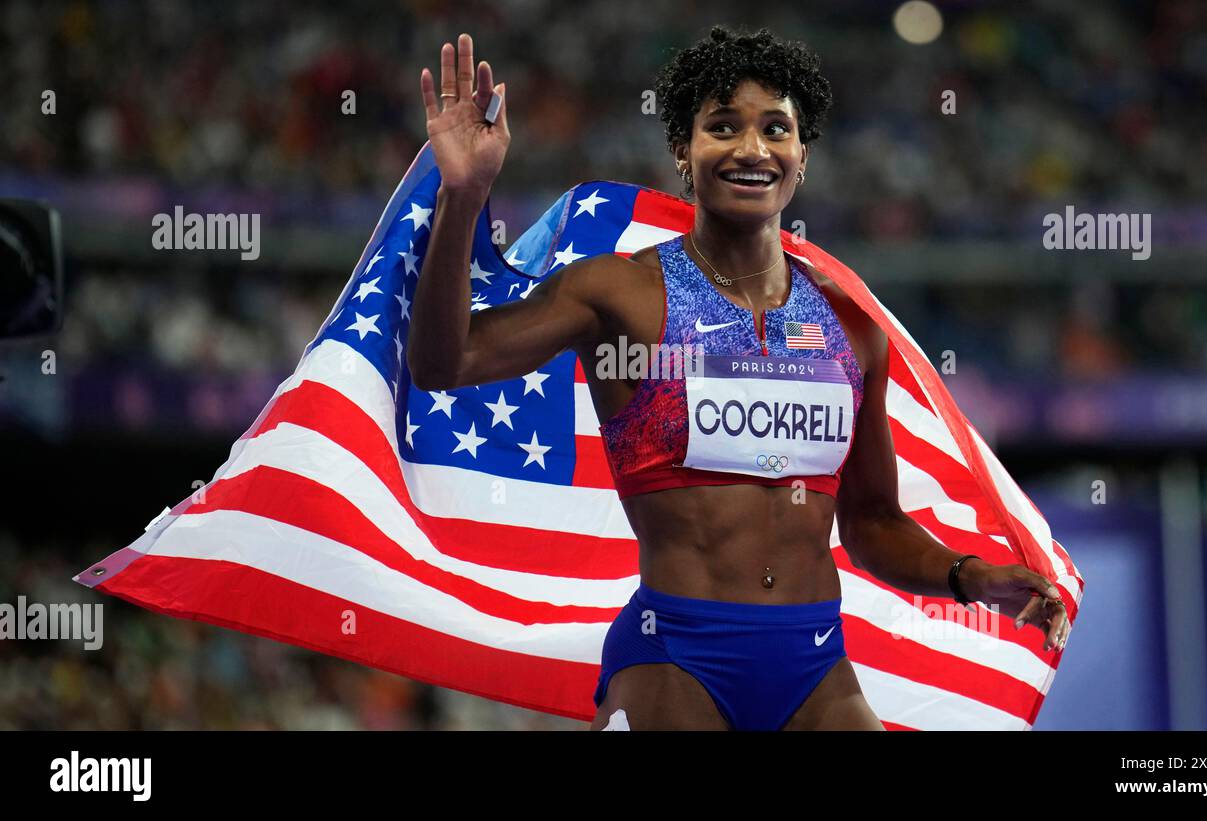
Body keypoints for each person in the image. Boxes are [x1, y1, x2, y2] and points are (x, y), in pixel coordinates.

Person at [408, 26, 1071, 731]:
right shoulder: (621, 293)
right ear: (683, 153)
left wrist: (972, 576)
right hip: (675, 661)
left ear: (801, 157)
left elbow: (872, 521)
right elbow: (447, 361)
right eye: (722, 127)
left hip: (816, 664)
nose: (752, 149)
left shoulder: (852, 324)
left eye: (775, 129)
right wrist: (464, 194)